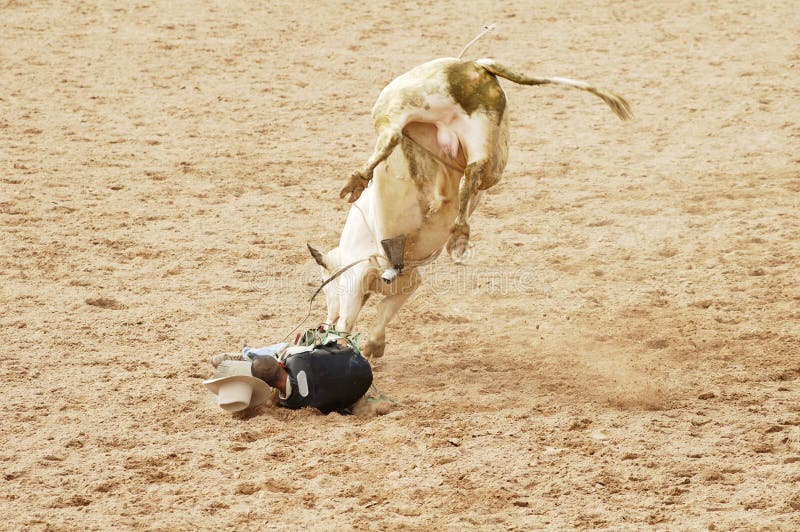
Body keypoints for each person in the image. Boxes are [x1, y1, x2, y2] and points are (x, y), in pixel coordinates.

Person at [208, 337, 373, 414]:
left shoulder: (291, 404)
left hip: (357, 390)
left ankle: (247, 354)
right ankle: (248, 352)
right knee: (285, 348)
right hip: (358, 365)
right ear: (280, 364)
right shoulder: (295, 358)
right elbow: (335, 342)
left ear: (268, 386)